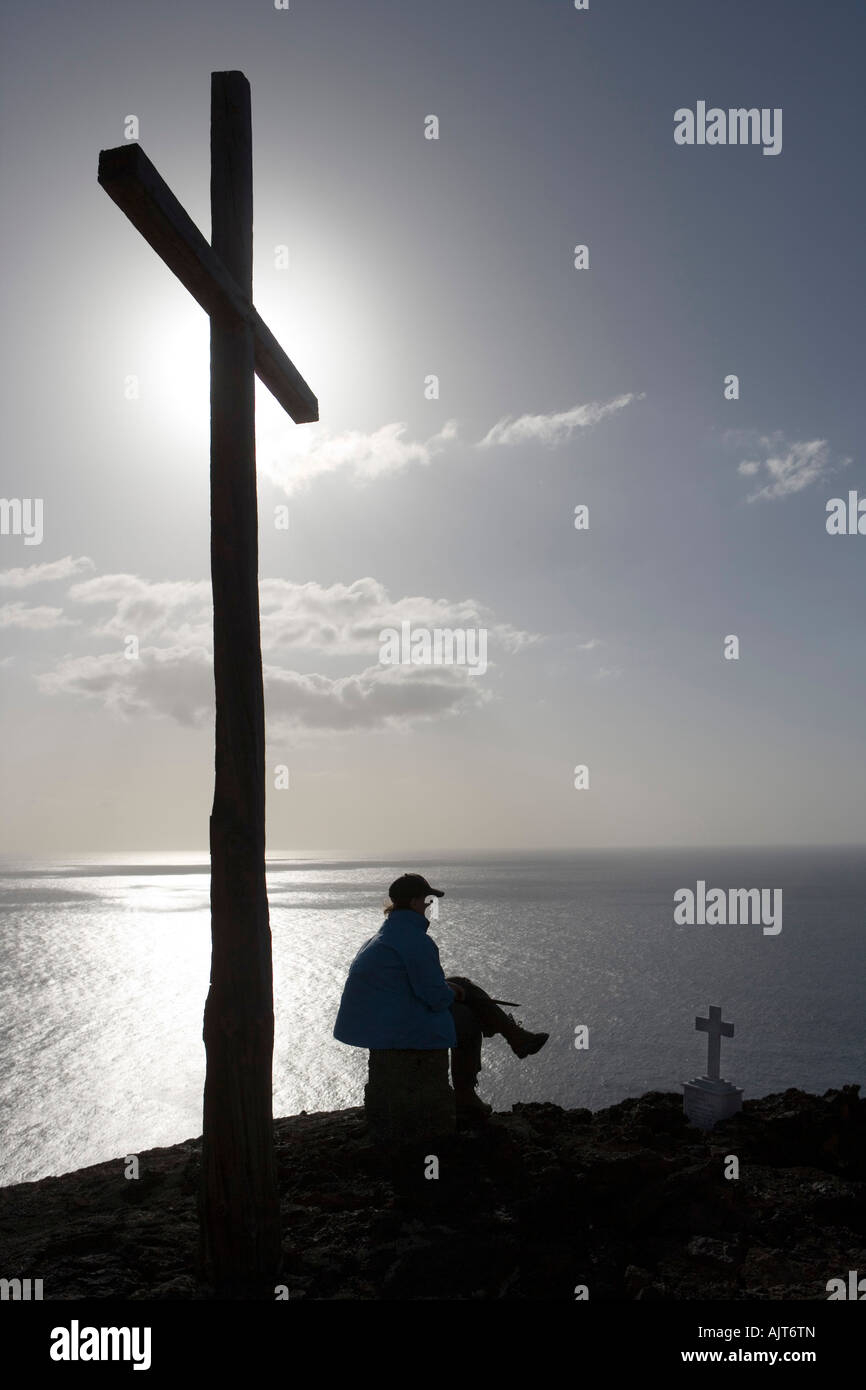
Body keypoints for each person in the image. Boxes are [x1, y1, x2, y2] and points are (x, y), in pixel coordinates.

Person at [333, 872, 549, 1120]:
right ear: (414, 902)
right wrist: (450, 992)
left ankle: (515, 1037)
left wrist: (451, 988)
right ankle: (467, 1094)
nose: (429, 906)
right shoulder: (414, 940)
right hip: (392, 1025)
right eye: (427, 900)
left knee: (459, 984)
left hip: (378, 1017)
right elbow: (436, 998)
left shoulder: (384, 936)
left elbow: (409, 983)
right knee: (466, 1018)